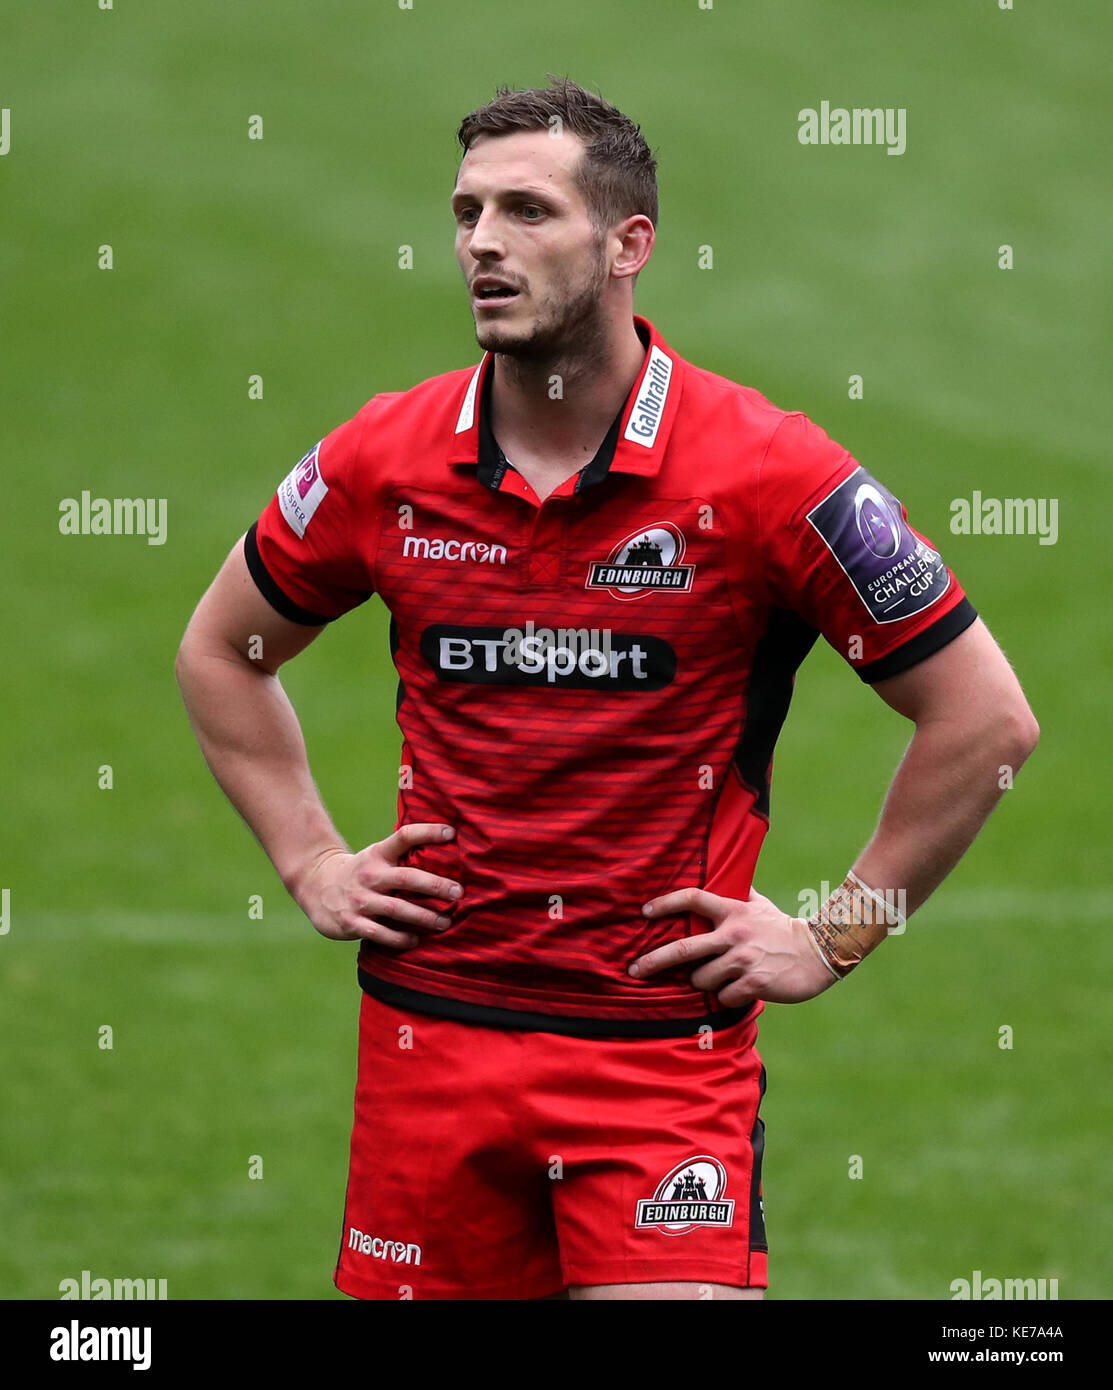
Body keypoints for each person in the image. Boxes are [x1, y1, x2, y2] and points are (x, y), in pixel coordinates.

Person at [174, 77, 1039, 1301]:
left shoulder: (770, 472)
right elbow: (222, 650)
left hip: (658, 1064)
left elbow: (985, 717)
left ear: (629, 243)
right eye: (468, 211)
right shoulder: (383, 457)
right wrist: (311, 860)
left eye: (528, 210)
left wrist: (834, 934)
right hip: (431, 1042)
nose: (482, 242)